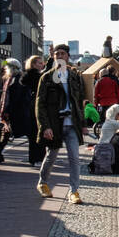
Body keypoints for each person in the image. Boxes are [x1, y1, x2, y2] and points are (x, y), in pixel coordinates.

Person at [36, 44, 87, 203]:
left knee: (74, 158)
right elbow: (40, 104)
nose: (59, 56)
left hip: (72, 124)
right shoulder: (46, 77)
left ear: (68, 56)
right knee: (51, 155)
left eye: (62, 53)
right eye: (57, 53)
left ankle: (74, 191)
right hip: (55, 124)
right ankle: (42, 183)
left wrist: (84, 123)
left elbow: (80, 102)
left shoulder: (75, 77)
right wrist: (45, 126)